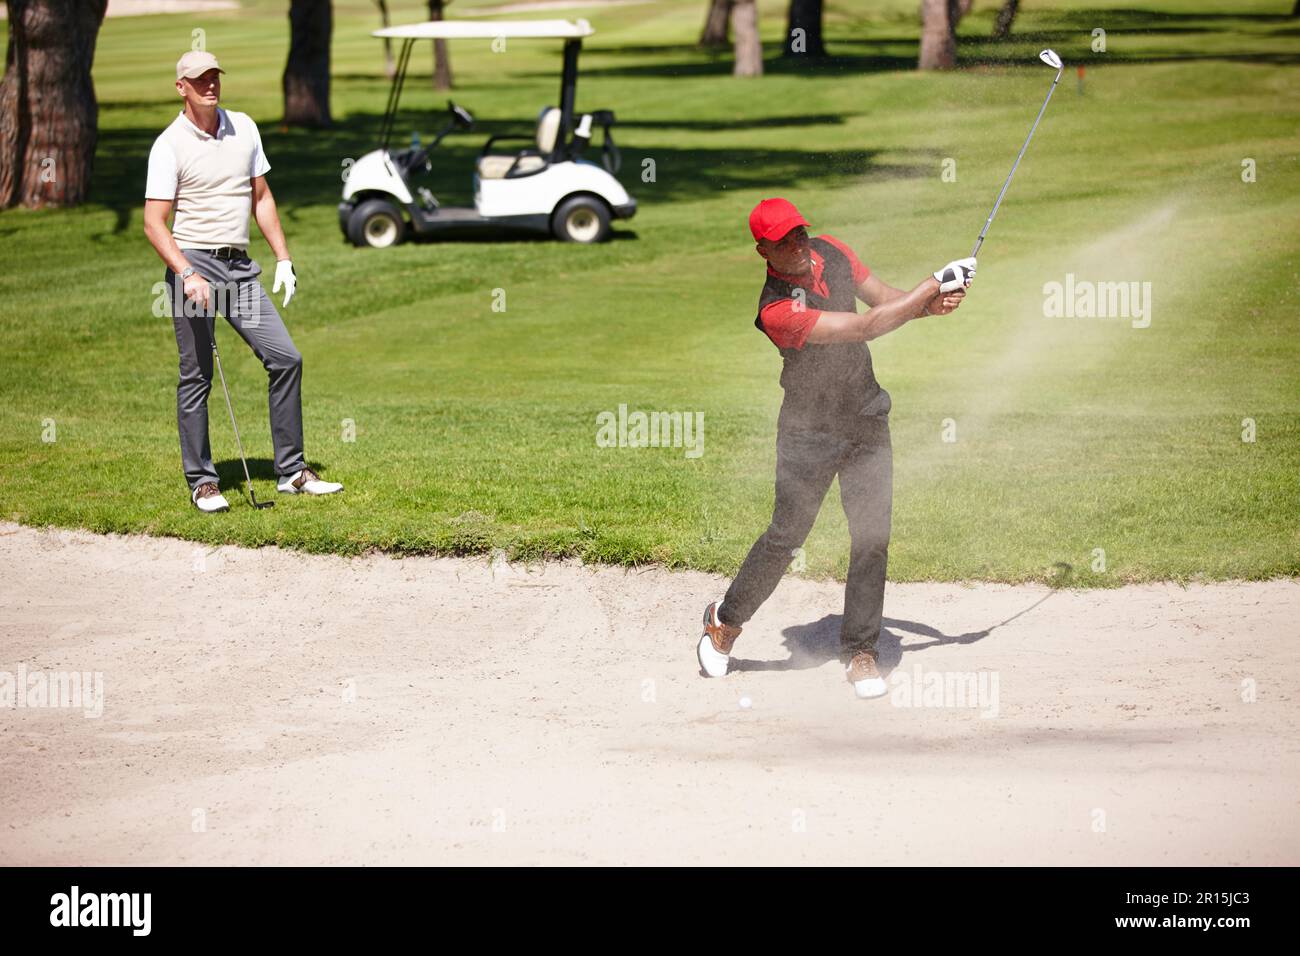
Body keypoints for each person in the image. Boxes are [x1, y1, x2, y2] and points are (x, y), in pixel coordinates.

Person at [697, 197, 974, 698]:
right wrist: (933, 284)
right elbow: (867, 327)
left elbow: (884, 300)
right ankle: (726, 620)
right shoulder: (778, 310)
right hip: (809, 430)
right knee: (787, 536)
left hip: (866, 416)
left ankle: (860, 651)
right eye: (784, 241)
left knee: (871, 536)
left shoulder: (834, 252)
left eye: (800, 232)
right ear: (764, 249)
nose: (799, 244)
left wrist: (930, 304)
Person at [143, 50, 342, 513]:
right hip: (194, 264)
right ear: (181, 87)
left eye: (214, 76)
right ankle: (203, 482)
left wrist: (283, 258)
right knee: (197, 376)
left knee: (285, 358)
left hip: (239, 270)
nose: (209, 85)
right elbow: (154, 222)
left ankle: (292, 471)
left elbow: (263, 197)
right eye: (199, 79)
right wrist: (186, 273)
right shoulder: (168, 144)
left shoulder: (245, 128)